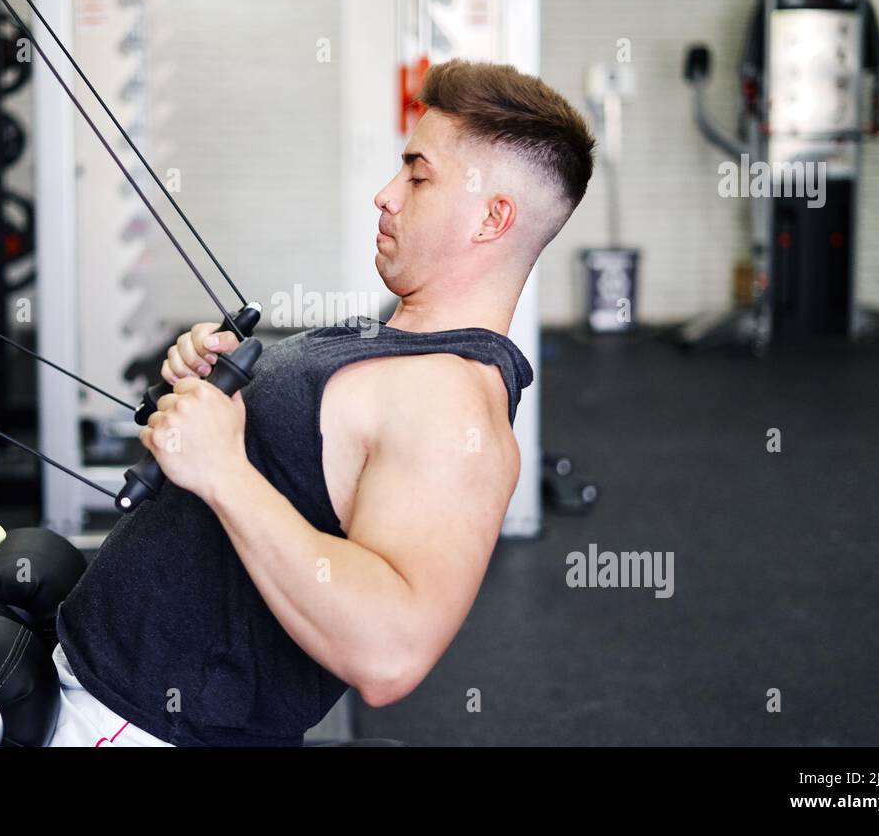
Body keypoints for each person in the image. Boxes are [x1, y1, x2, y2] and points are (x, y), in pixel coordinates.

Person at [50, 59, 595, 746]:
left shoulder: (455, 408)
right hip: (100, 672)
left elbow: (389, 653)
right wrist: (216, 391)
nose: (386, 195)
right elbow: (298, 466)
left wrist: (223, 472)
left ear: (492, 217)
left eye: (418, 176)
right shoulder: (397, 336)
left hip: (141, 726)